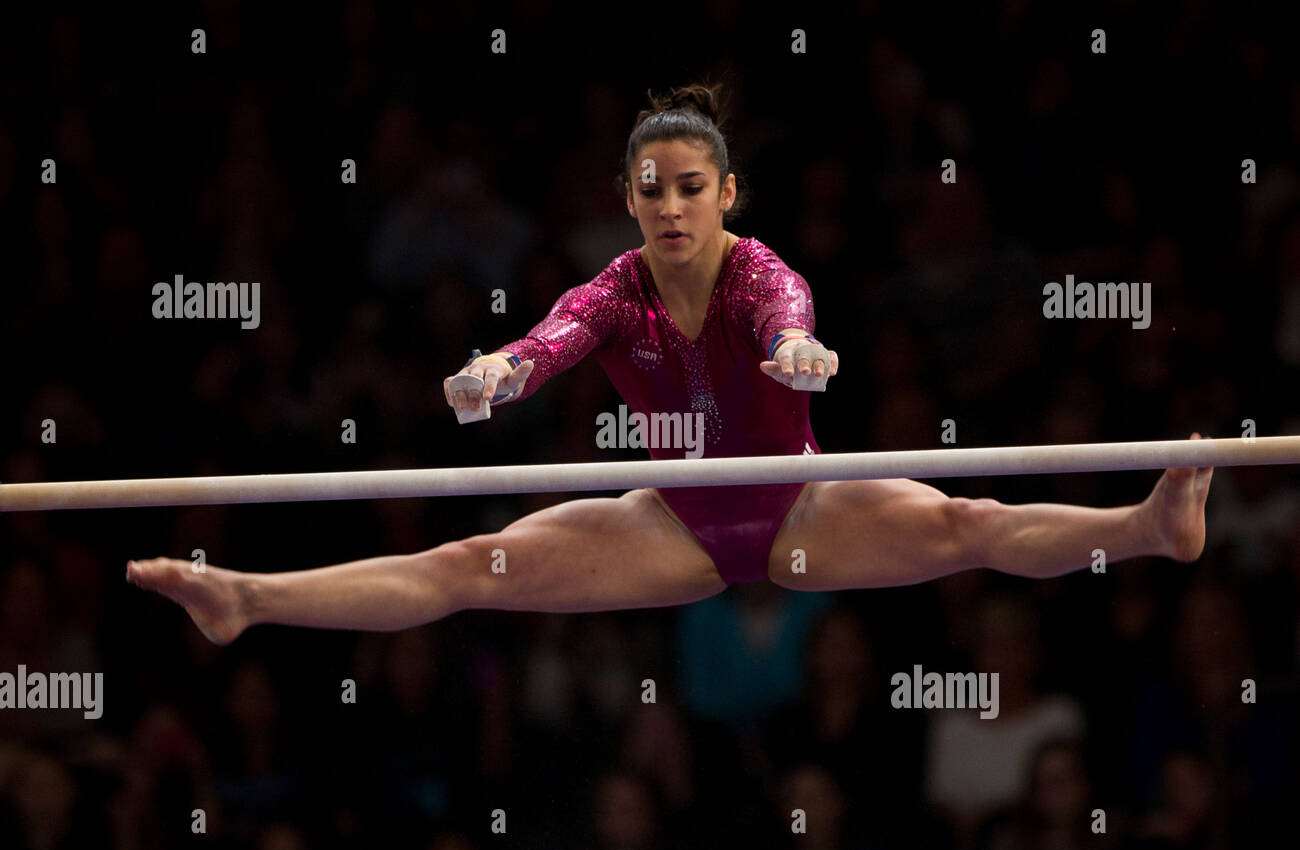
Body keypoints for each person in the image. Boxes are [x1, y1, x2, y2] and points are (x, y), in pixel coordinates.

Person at [125, 83, 1214, 645]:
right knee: (468, 562)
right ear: (628, 197)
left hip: (799, 508)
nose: (672, 205)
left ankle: (1148, 528)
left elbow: (787, 312)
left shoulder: (757, 274)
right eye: (652, 188)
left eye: (692, 185)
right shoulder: (612, 291)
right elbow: (544, 340)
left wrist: (793, 347)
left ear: (725, 193)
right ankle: (247, 597)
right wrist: (494, 372)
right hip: (672, 530)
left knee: (969, 523)